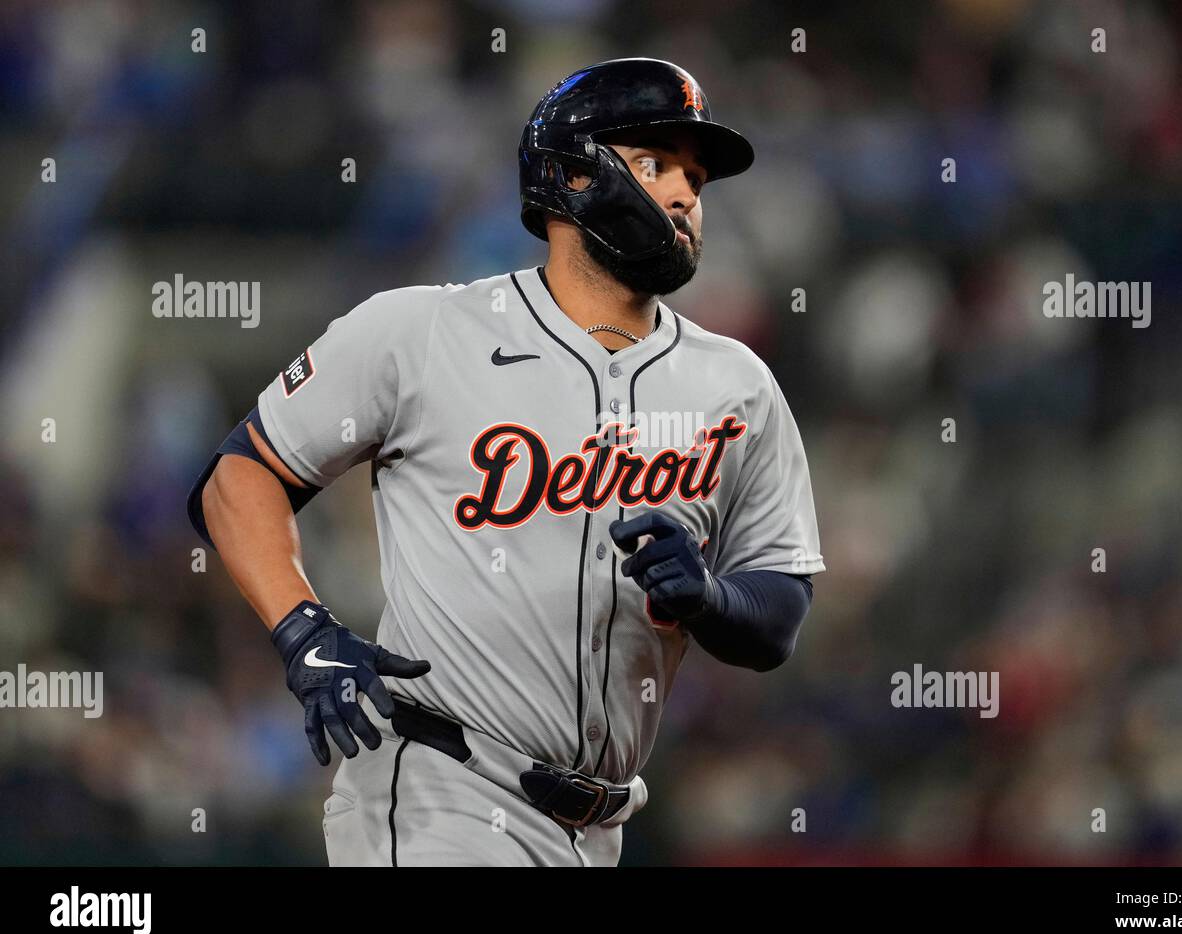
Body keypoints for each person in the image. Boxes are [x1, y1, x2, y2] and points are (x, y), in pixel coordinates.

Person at [188, 57, 824, 866]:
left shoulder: (736, 385)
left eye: (696, 177)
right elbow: (240, 475)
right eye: (655, 163)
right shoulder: (422, 332)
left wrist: (709, 596)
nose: (686, 195)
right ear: (572, 178)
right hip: (441, 792)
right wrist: (301, 627)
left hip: (599, 828)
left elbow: (779, 611)